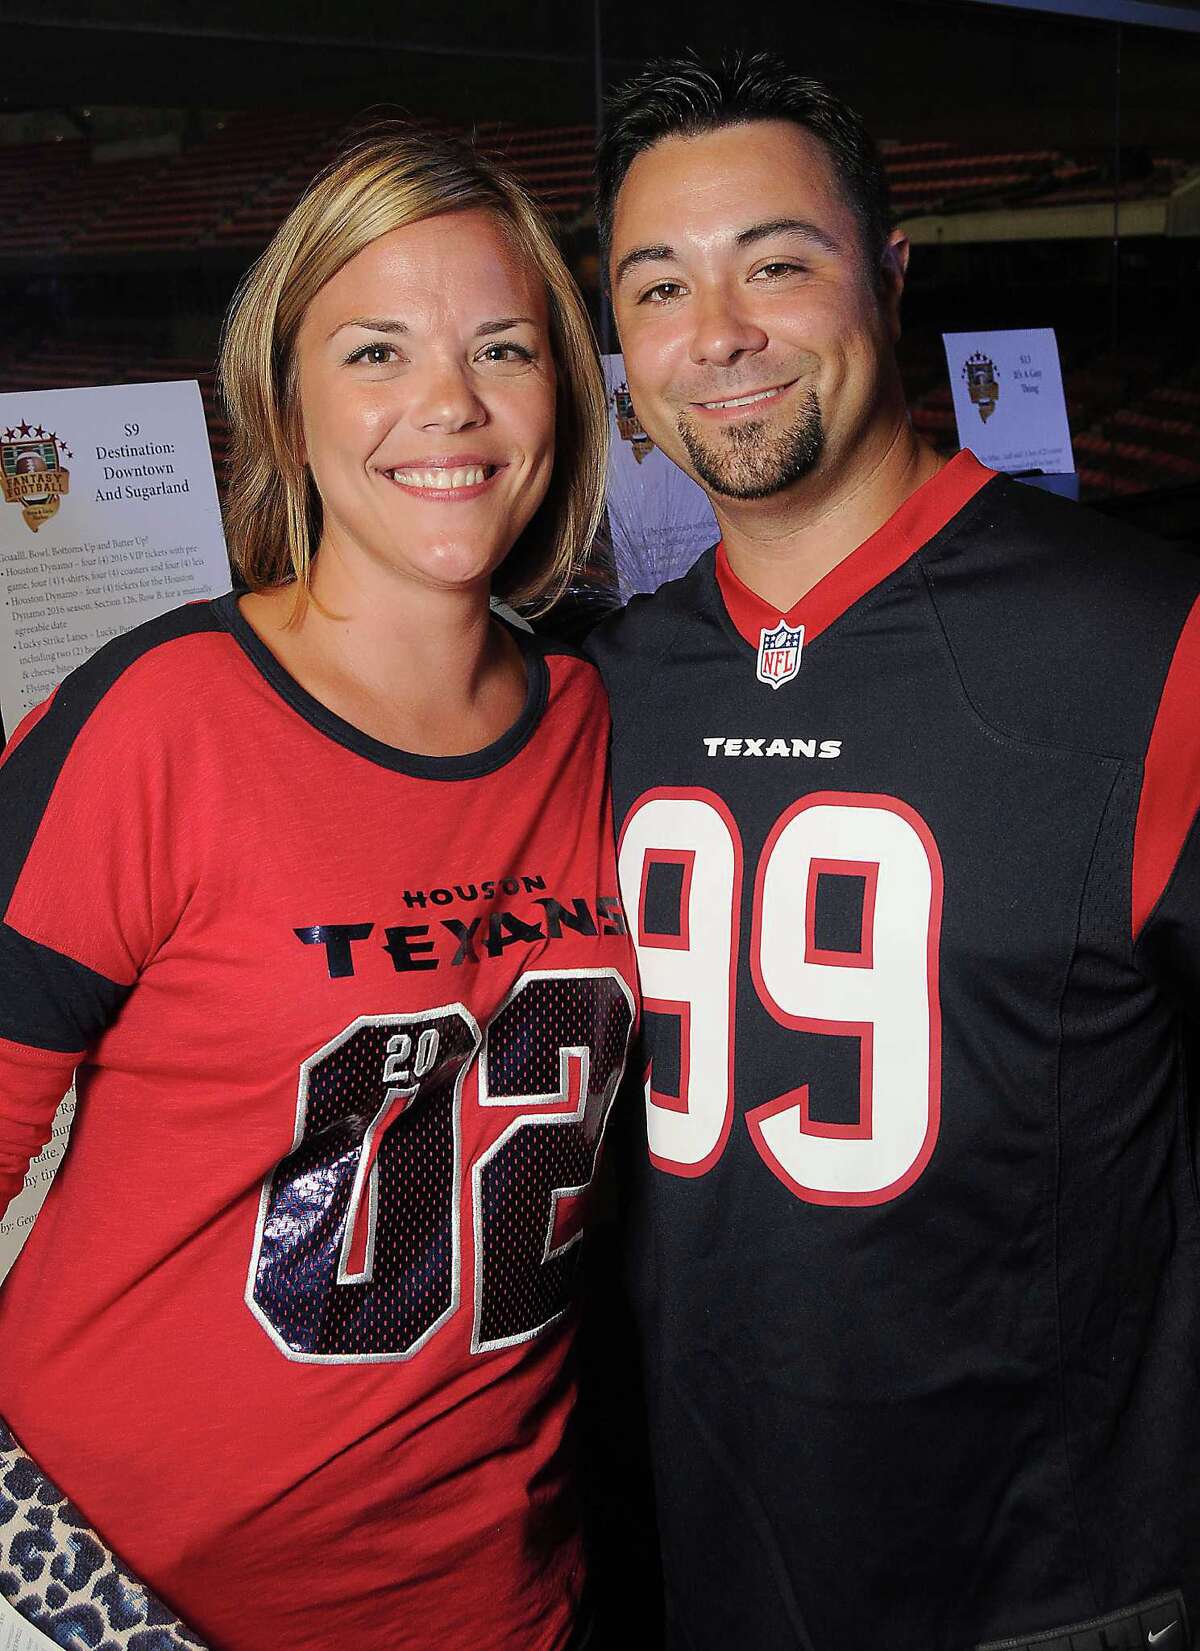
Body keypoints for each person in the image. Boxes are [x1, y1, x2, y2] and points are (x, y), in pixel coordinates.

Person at [586, 51, 1200, 1651]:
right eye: (659, 286)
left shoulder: (1149, 645)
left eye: (777, 263)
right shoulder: (605, 691)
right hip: (702, 1568)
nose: (716, 334)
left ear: (894, 272)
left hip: (1056, 1593)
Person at [0, 128, 637, 1651]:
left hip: (499, 1595)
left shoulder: (611, 727)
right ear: (285, 407)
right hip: (113, 1593)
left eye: (504, 346)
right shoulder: (155, 720)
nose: (449, 404)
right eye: (375, 351)